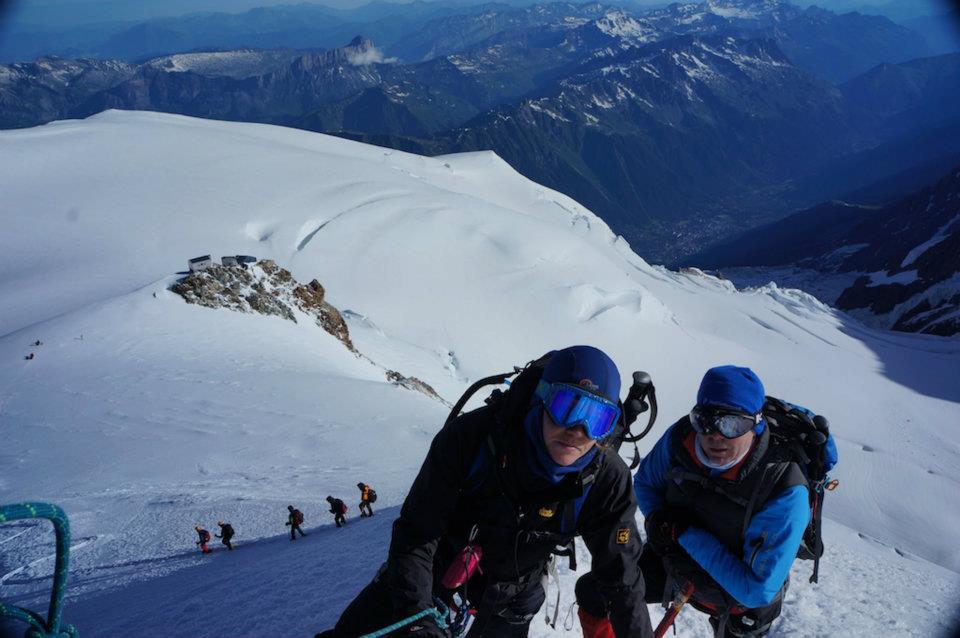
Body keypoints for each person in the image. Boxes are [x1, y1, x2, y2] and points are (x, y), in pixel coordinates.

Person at [319, 345, 653, 638]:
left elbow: (621, 580)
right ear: (541, 396)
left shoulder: (606, 479)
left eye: (597, 418)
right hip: (436, 572)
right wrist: (416, 617)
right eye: (567, 406)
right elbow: (417, 533)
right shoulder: (472, 439)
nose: (577, 431)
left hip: (511, 597)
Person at [578, 365, 837, 638]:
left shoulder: (782, 487)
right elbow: (646, 482)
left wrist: (684, 533)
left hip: (738, 601)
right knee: (595, 591)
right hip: (676, 564)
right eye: (706, 420)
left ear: (757, 425)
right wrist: (660, 521)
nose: (716, 435)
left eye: (733, 424)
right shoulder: (682, 440)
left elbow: (756, 590)